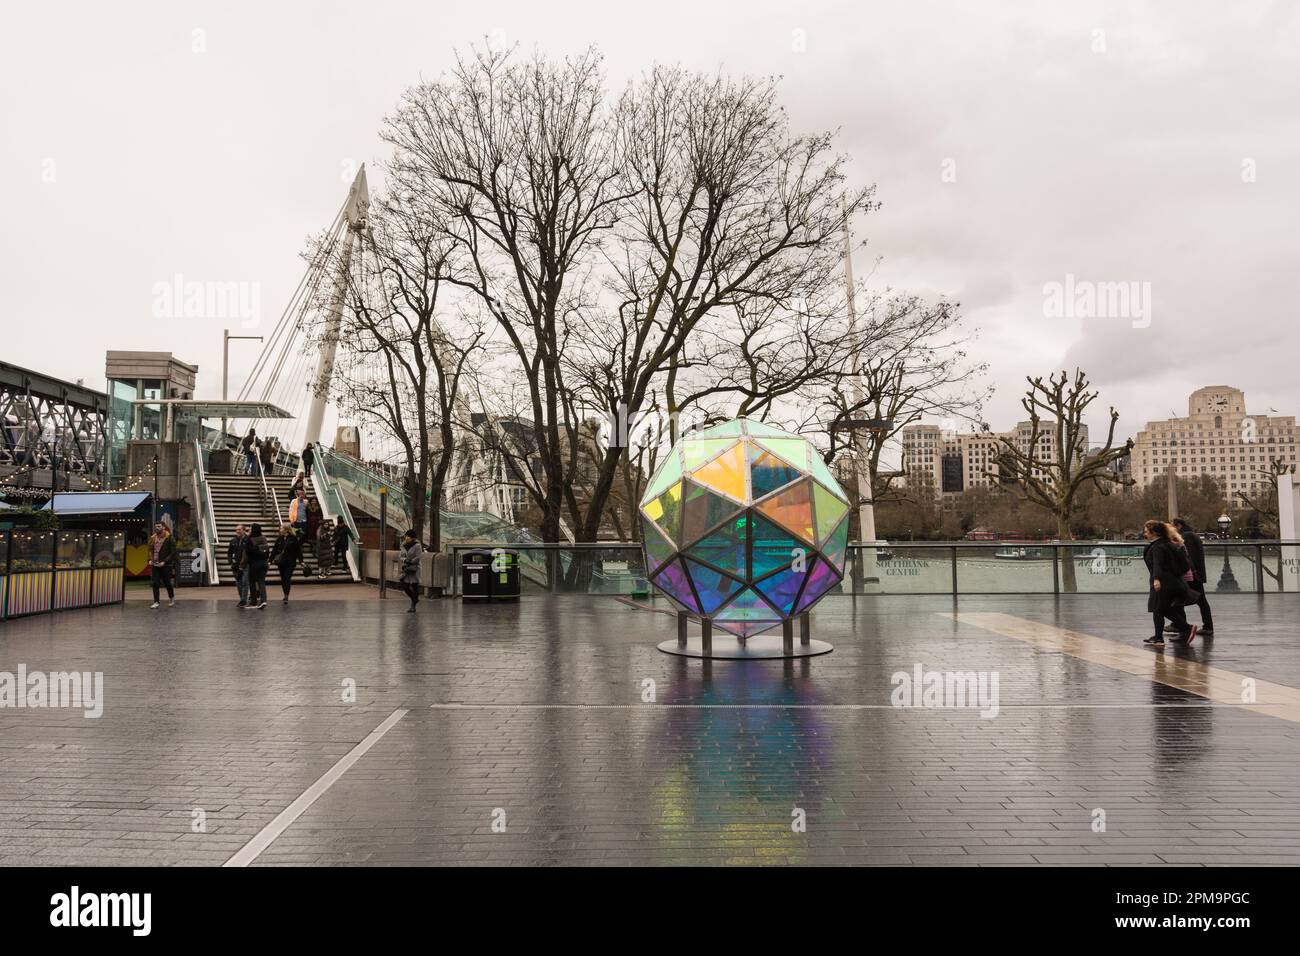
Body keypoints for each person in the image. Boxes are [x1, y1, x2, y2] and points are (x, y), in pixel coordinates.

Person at [1142, 520, 1198, 646]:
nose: (1144, 533)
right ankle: (1158, 637)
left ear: (1154, 533)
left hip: (1163, 583)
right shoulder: (1169, 544)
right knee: (1159, 609)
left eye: (1146, 531)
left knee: (1160, 608)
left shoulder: (1157, 547)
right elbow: (1184, 564)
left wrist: (1156, 579)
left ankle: (1186, 628)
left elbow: (1158, 564)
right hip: (1174, 581)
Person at [1170, 517, 1214, 637]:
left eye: (1172, 526)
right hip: (1196, 574)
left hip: (1192, 575)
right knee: (1201, 601)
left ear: (1178, 525)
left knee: (1179, 600)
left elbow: (1187, 557)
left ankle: (1181, 626)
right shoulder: (1192, 535)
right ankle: (1207, 626)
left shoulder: (1186, 536)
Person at [270, 523, 303, 604]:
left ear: (286, 530)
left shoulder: (293, 538)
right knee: (283, 579)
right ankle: (285, 593)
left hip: (290, 562)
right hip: (281, 562)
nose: (280, 530)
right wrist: (270, 560)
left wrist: (301, 561)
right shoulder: (279, 539)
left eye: (281, 528)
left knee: (287, 578)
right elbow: (274, 550)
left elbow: (298, 551)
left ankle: (286, 595)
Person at [147, 521, 177, 609]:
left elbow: (173, 552)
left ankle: (171, 598)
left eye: (159, 526)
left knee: (167, 583)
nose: (157, 528)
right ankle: (156, 601)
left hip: (166, 565)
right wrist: (149, 560)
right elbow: (149, 549)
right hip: (155, 564)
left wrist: (165, 562)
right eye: (156, 526)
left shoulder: (169, 537)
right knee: (155, 583)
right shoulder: (153, 538)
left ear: (164, 527)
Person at [243, 522, 270, 609]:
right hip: (264, 563)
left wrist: (242, 565)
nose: (249, 530)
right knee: (261, 582)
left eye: (250, 528)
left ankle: (253, 601)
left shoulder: (250, 539)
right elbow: (267, 551)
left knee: (252, 582)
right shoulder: (263, 538)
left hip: (254, 564)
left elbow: (247, 552)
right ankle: (263, 600)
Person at [399, 530, 422, 612]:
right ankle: (415, 599)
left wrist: (411, 561)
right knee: (405, 586)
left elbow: (418, 557)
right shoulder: (403, 545)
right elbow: (401, 556)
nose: (406, 538)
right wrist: (405, 560)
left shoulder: (417, 545)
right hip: (406, 568)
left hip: (414, 568)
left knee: (415, 586)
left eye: (408, 536)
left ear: (412, 538)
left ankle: (413, 606)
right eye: (406, 536)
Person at [227, 523, 248, 607]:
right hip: (235, 566)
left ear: (244, 530)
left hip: (246, 565)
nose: (237, 531)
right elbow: (229, 552)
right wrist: (231, 562)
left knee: (245, 583)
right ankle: (241, 599)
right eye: (236, 530)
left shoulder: (248, 540)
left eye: (239, 530)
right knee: (238, 583)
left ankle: (243, 600)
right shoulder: (233, 541)